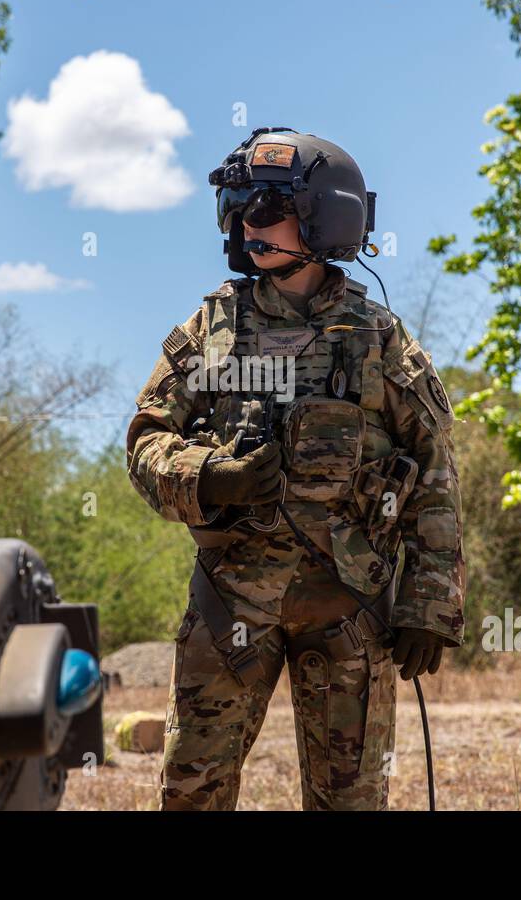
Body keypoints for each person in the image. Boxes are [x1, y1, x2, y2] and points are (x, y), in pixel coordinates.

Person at [126, 127, 466, 810]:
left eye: (267, 209)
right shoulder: (213, 327)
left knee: (352, 801)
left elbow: (434, 468)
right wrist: (209, 477)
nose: (249, 224)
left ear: (322, 218)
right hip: (231, 603)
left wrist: (431, 601)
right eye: (241, 209)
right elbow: (146, 439)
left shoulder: (378, 337)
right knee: (191, 794)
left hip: (347, 606)